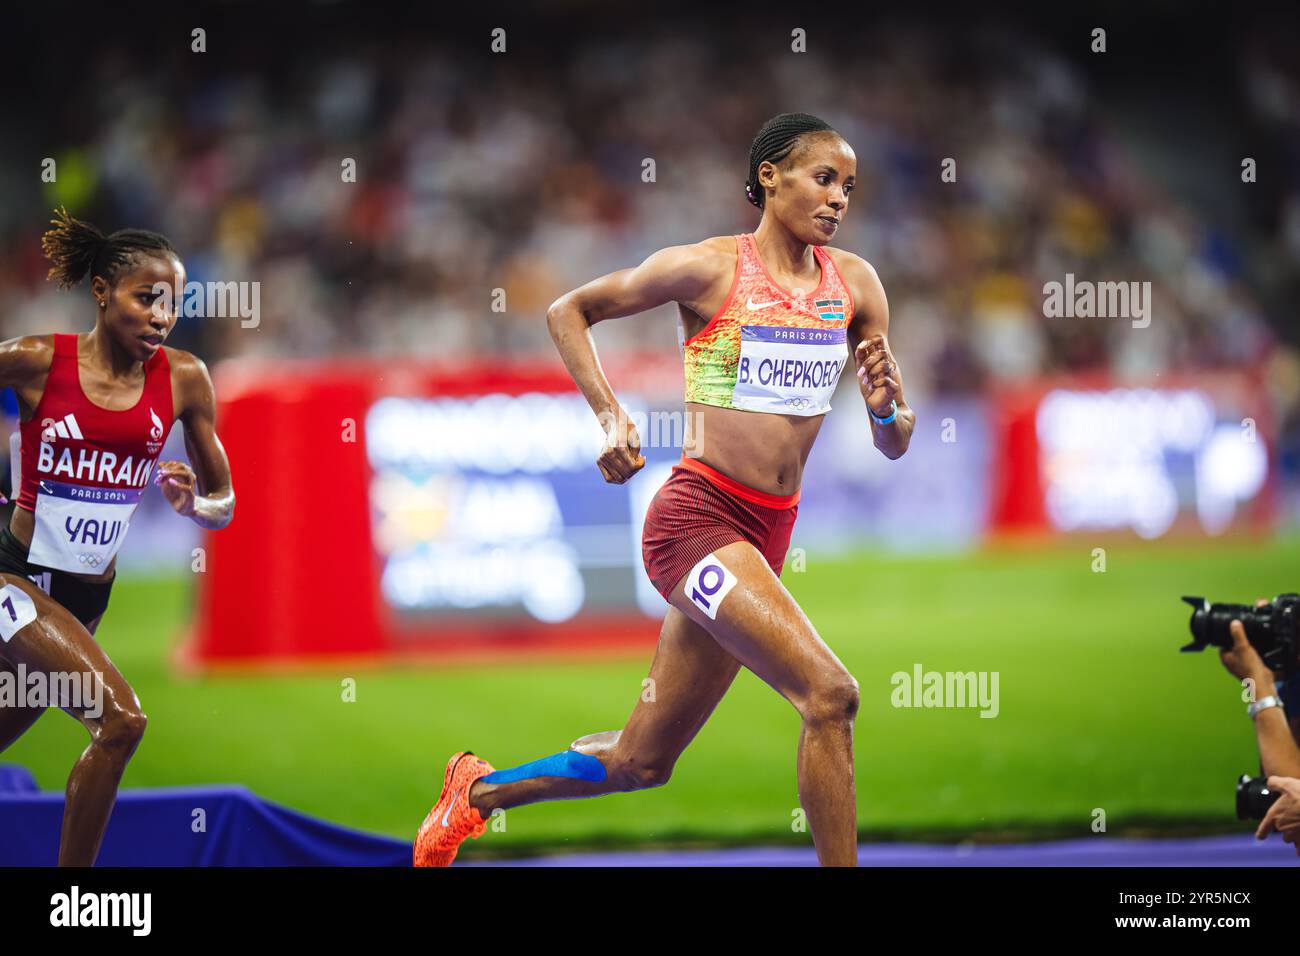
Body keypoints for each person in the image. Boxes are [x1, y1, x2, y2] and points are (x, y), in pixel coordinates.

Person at [415, 113, 914, 867]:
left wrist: (885, 407)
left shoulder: (857, 286)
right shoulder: (711, 268)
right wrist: (611, 416)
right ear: (769, 178)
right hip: (696, 523)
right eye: (823, 178)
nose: (839, 197)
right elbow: (568, 310)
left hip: (767, 536)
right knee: (830, 694)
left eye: (849, 185)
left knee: (643, 762)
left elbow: (894, 441)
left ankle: (475, 794)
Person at [0, 208, 235, 865]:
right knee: (120, 722)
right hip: (15, 580)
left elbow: (226, 501)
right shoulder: (34, 361)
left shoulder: (185, 378)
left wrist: (197, 507)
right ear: (102, 292)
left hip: (83, 603)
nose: (163, 316)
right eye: (147, 298)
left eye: (174, 304)